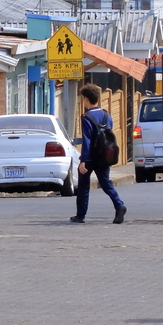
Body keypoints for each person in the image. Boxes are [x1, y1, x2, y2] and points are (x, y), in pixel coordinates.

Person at [70, 84, 126, 225]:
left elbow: (87, 141)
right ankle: (119, 205)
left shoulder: (86, 117)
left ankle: (80, 215)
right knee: (105, 183)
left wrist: (83, 160)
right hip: (105, 155)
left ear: (86, 99)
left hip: (91, 157)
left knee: (83, 185)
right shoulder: (107, 115)